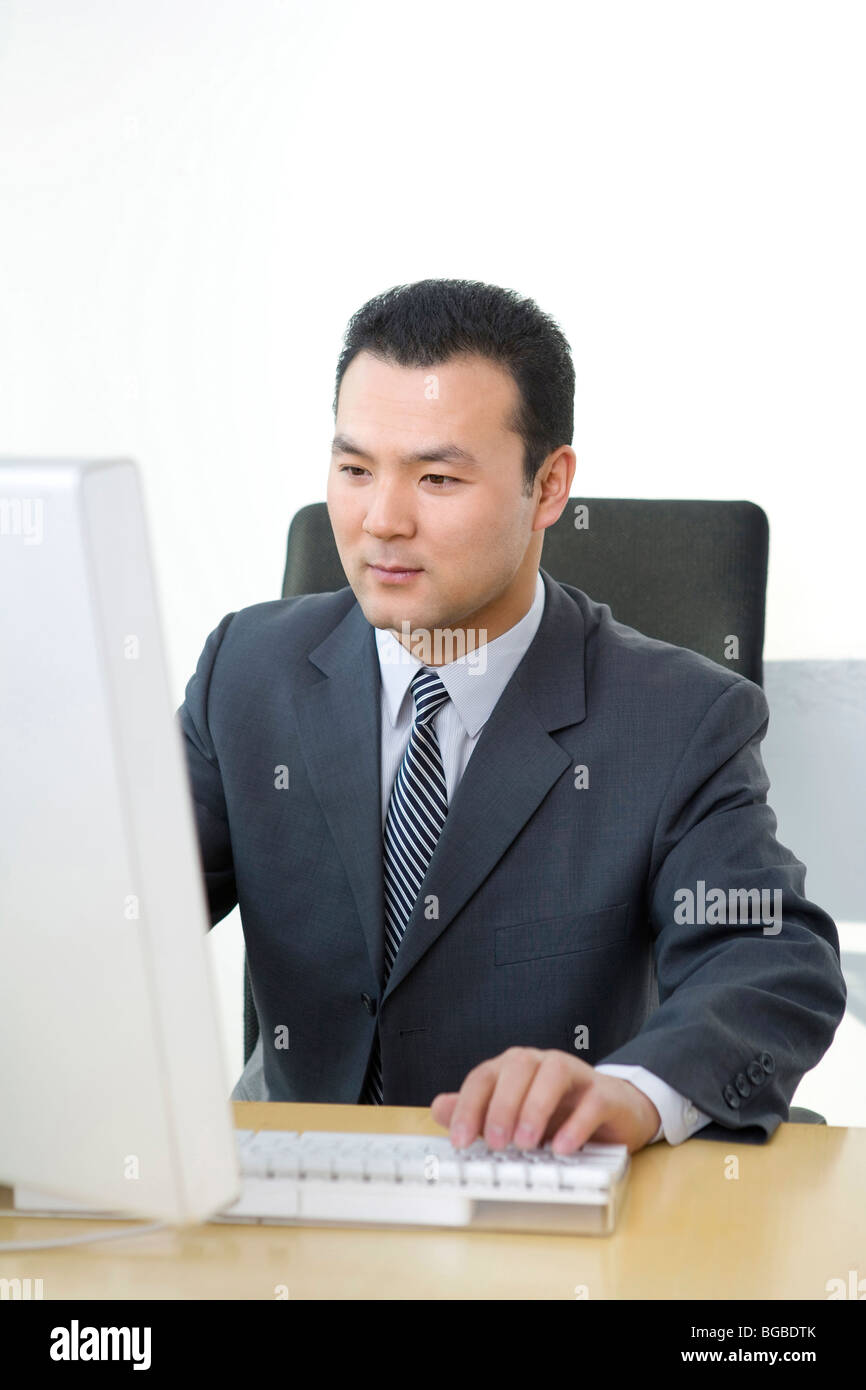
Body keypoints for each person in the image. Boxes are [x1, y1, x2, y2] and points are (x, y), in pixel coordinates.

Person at [178, 278, 846, 1154]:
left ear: (548, 486)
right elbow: (114, 907)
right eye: (353, 469)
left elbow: (768, 960)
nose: (382, 520)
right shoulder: (247, 671)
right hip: (294, 1192)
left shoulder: (680, 718)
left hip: (537, 1197)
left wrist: (632, 1094)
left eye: (439, 477)